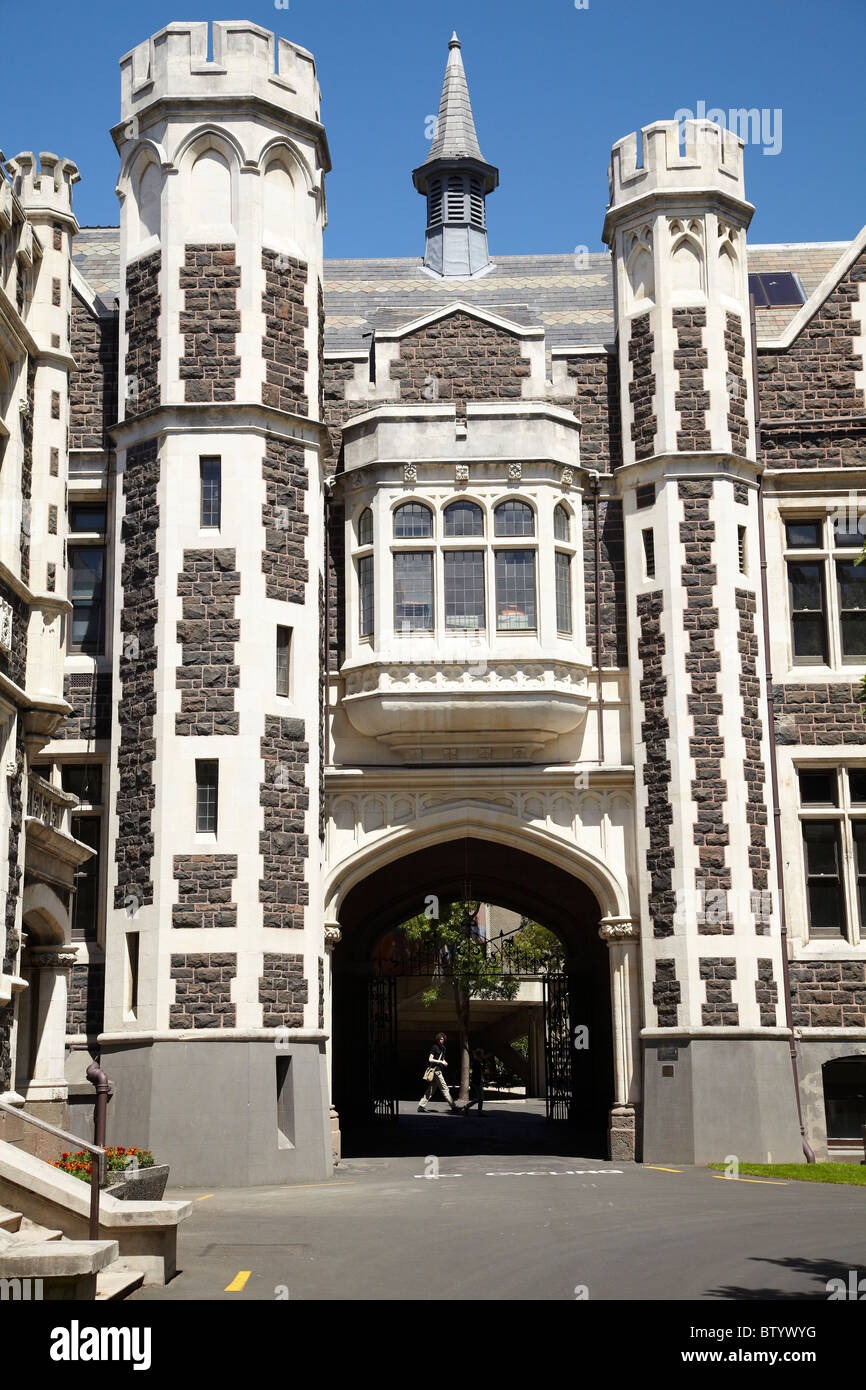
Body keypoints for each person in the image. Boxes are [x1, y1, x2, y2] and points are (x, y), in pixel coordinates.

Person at [417, 1032, 460, 1113]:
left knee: (431, 1090)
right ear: (438, 1039)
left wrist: (444, 1062)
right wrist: (441, 1062)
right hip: (436, 1071)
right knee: (445, 1088)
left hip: (439, 1070)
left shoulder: (443, 1048)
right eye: (440, 1039)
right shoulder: (434, 1047)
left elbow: (442, 1059)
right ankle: (453, 1107)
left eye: (443, 1039)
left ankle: (421, 1106)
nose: (442, 1040)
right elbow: (430, 1059)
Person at [460, 1048, 490, 1114]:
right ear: (480, 1055)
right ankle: (470, 1108)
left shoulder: (478, 1062)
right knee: (480, 1097)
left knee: (480, 1097)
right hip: (477, 1081)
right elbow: (482, 1071)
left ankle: (471, 1108)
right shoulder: (477, 1063)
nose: (483, 1055)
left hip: (477, 1081)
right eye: (482, 1054)